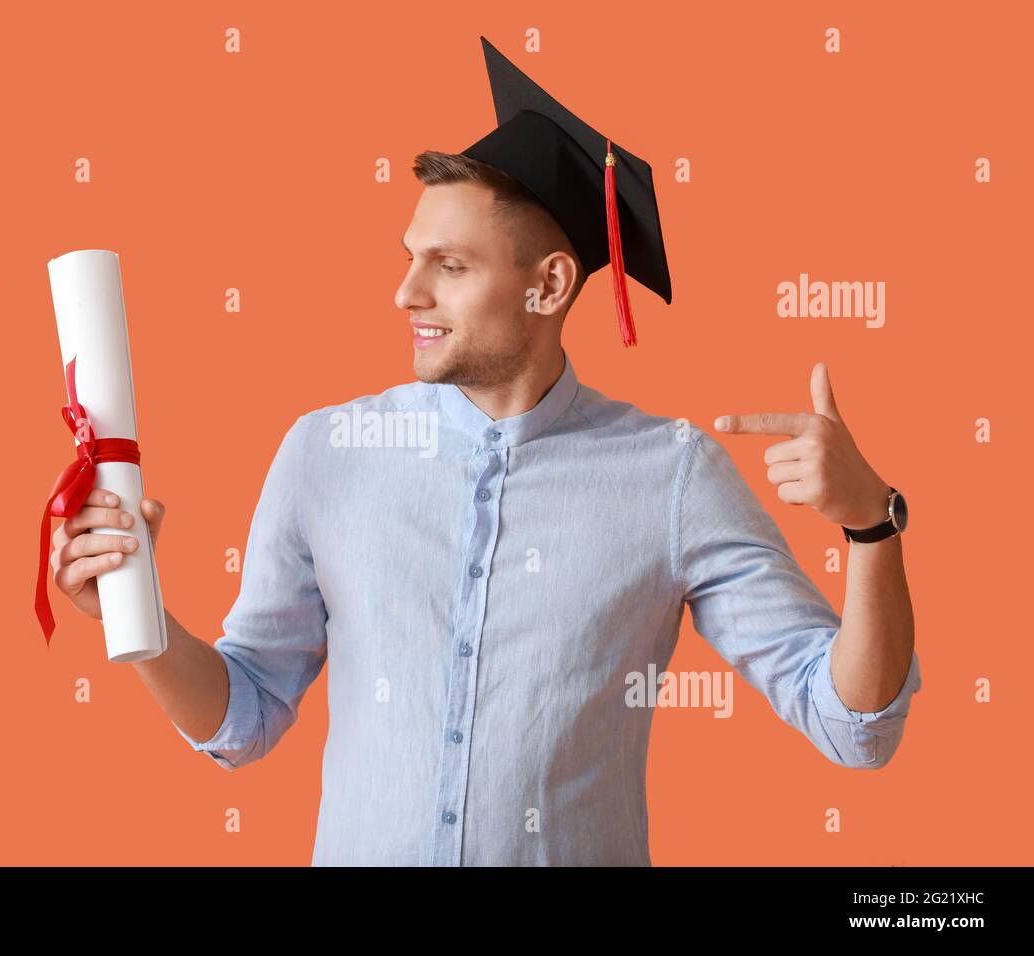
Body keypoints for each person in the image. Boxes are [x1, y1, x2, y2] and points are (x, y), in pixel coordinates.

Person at [46, 38, 920, 866]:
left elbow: (853, 725)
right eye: (409, 257)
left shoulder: (671, 475)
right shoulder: (327, 452)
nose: (406, 291)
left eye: (449, 266)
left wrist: (870, 530)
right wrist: (143, 620)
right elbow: (246, 714)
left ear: (549, 284)